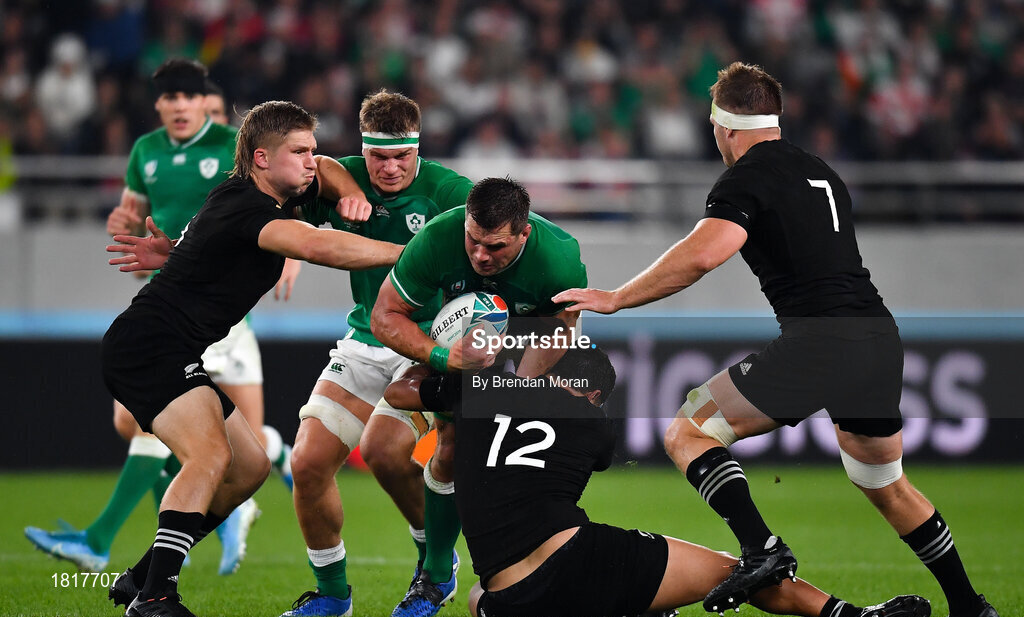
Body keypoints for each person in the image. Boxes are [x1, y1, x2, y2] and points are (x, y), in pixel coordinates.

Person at [553, 62, 998, 617]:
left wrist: (616, 297)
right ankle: (970, 606)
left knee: (688, 429)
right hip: (877, 337)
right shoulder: (820, 171)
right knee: (884, 481)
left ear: (725, 126)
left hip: (822, 339)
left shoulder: (747, 176)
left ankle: (762, 548)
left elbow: (703, 254)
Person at [100, 99, 404, 617]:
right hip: (149, 348)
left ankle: (140, 578)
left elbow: (317, 181)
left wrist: (173, 249)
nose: (313, 161)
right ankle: (155, 597)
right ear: (262, 158)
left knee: (250, 467)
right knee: (210, 457)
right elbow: (321, 248)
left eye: (313, 150)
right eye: (299, 151)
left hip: (165, 346)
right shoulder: (251, 208)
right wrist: (411, 253)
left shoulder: (243, 196)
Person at [382, 346, 931, 617]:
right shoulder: (594, 427)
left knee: (478, 593)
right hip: (576, 561)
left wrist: (448, 362)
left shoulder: (477, 391)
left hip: (507, 595)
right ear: (593, 393)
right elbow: (588, 456)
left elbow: (402, 392)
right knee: (736, 574)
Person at [24, 60, 294, 578]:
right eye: (168, 97)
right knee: (153, 427)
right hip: (168, 303)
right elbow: (133, 213)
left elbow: (279, 204)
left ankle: (113, 544)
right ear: (158, 105)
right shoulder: (146, 152)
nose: (177, 106)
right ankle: (160, 547)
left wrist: (296, 254)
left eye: (187, 97)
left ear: (203, 102)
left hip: (217, 312)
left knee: (229, 447)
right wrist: (126, 225)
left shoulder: (234, 152)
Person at [280, 89, 474, 617]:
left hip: (426, 343)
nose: (389, 168)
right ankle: (332, 595)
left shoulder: (450, 193)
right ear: (361, 151)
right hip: (366, 342)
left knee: (385, 452)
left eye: (401, 157)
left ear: (419, 149)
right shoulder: (342, 179)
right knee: (307, 462)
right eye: (377, 157)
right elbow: (286, 178)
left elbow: (498, 246)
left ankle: (435, 568)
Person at [371, 176, 588, 617]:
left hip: (529, 346)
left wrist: (515, 389)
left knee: (526, 461)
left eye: (496, 247)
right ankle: (435, 576)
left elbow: (559, 332)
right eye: (474, 241)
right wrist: (444, 356)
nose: (480, 255)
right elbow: (384, 315)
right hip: (452, 344)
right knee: (446, 447)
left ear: (524, 233)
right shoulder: (438, 237)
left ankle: (549, 569)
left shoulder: (560, 260)